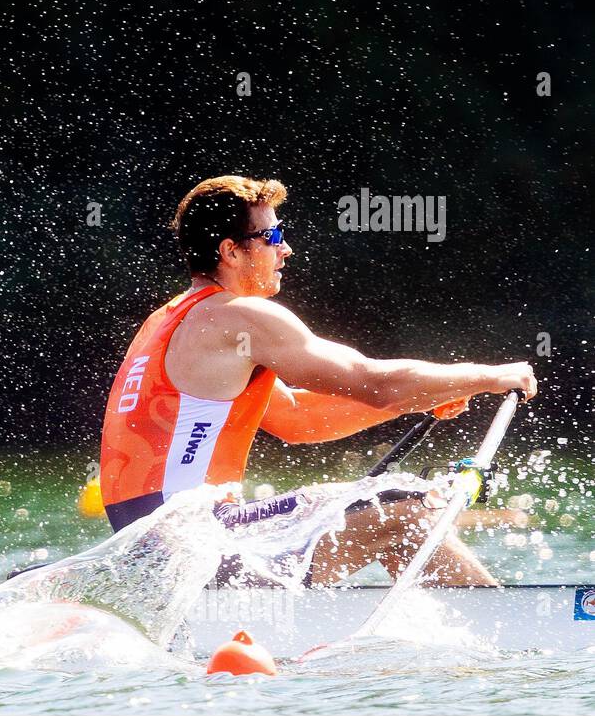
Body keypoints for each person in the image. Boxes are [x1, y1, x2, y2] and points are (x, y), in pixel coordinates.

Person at [100, 176, 537, 587]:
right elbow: (372, 381)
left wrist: (419, 398)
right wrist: (488, 376)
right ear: (231, 251)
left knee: (393, 508)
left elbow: (298, 418)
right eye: (271, 237)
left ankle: (445, 645)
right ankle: (503, 644)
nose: (285, 248)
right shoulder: (238, 317)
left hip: (158, 549)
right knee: (406, 508)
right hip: (191, 548)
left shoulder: (171, 321)